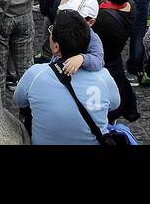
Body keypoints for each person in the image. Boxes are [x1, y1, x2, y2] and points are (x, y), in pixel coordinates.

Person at [13, 10, 120, 145]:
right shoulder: (104, 77)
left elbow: (19, 101)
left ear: (56, 47)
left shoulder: (35, 74)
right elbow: (115, 104)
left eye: (51, 30)